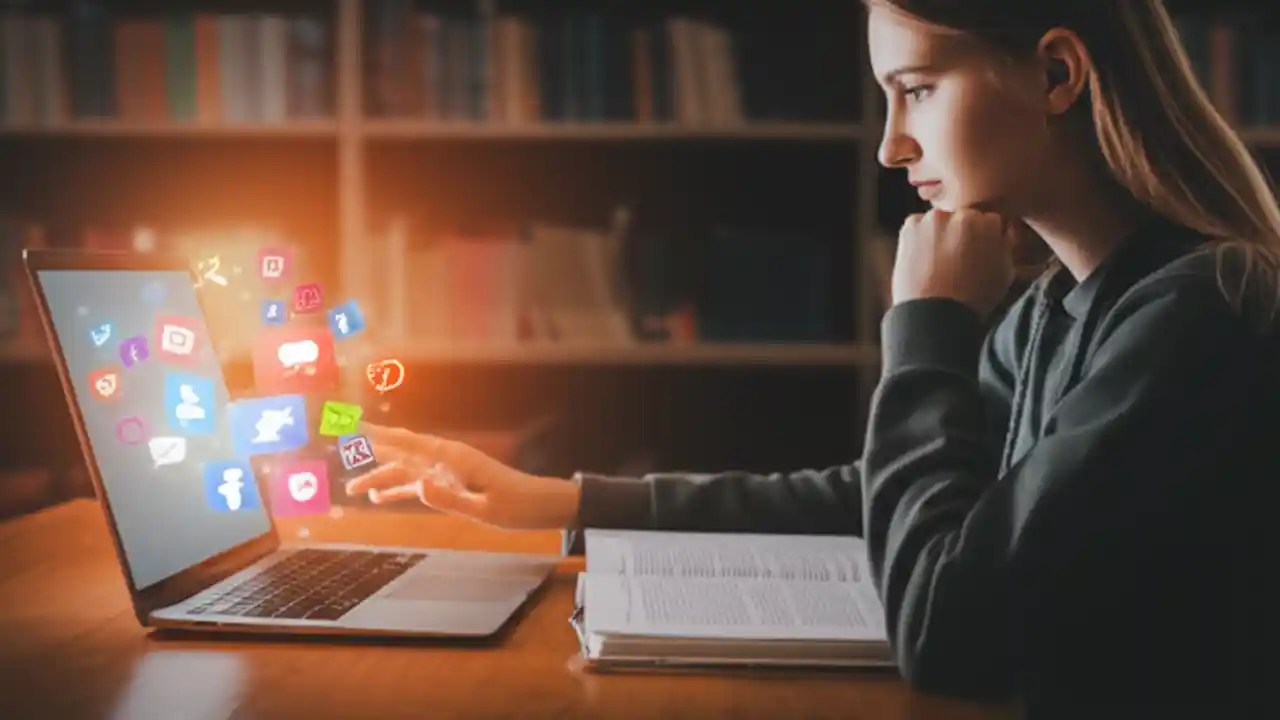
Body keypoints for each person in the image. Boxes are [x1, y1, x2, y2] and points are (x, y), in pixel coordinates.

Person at [347, 0, 1276, 714]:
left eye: (917, 89)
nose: (889, 145)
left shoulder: (1200, 312)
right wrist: (565, 499)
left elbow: (951, 634)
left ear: (1058, 73)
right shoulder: (1054, 308)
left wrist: (929, 331)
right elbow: (882, 493)